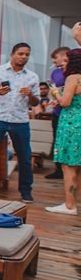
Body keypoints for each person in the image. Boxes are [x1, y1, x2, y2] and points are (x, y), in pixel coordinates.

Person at [0, 42, 40, 202]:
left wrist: (30, 95)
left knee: (25, 157)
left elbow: (35, 103)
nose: (24, 57)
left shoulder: (32, 76)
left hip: (20, 120)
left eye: (27, 54)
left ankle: (26, 191)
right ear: (12, 54)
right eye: (20, 53)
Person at [46, 49, 81, 215]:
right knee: (78, 165)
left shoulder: (73, 78)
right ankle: (74, 202)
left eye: (66, 61)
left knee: (68, 166)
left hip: (71, 123)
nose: (63, 64)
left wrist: (54, 92)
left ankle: (69, 205)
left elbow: (65, 102)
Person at [46, 46, 70, 179]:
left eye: (56, 58)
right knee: (57, 140)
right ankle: (58, 169)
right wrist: (54, 97)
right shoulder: (55, 73)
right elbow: (53, 88)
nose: (54, 62)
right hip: (57, 111)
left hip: (72, 111)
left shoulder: (74, 72)